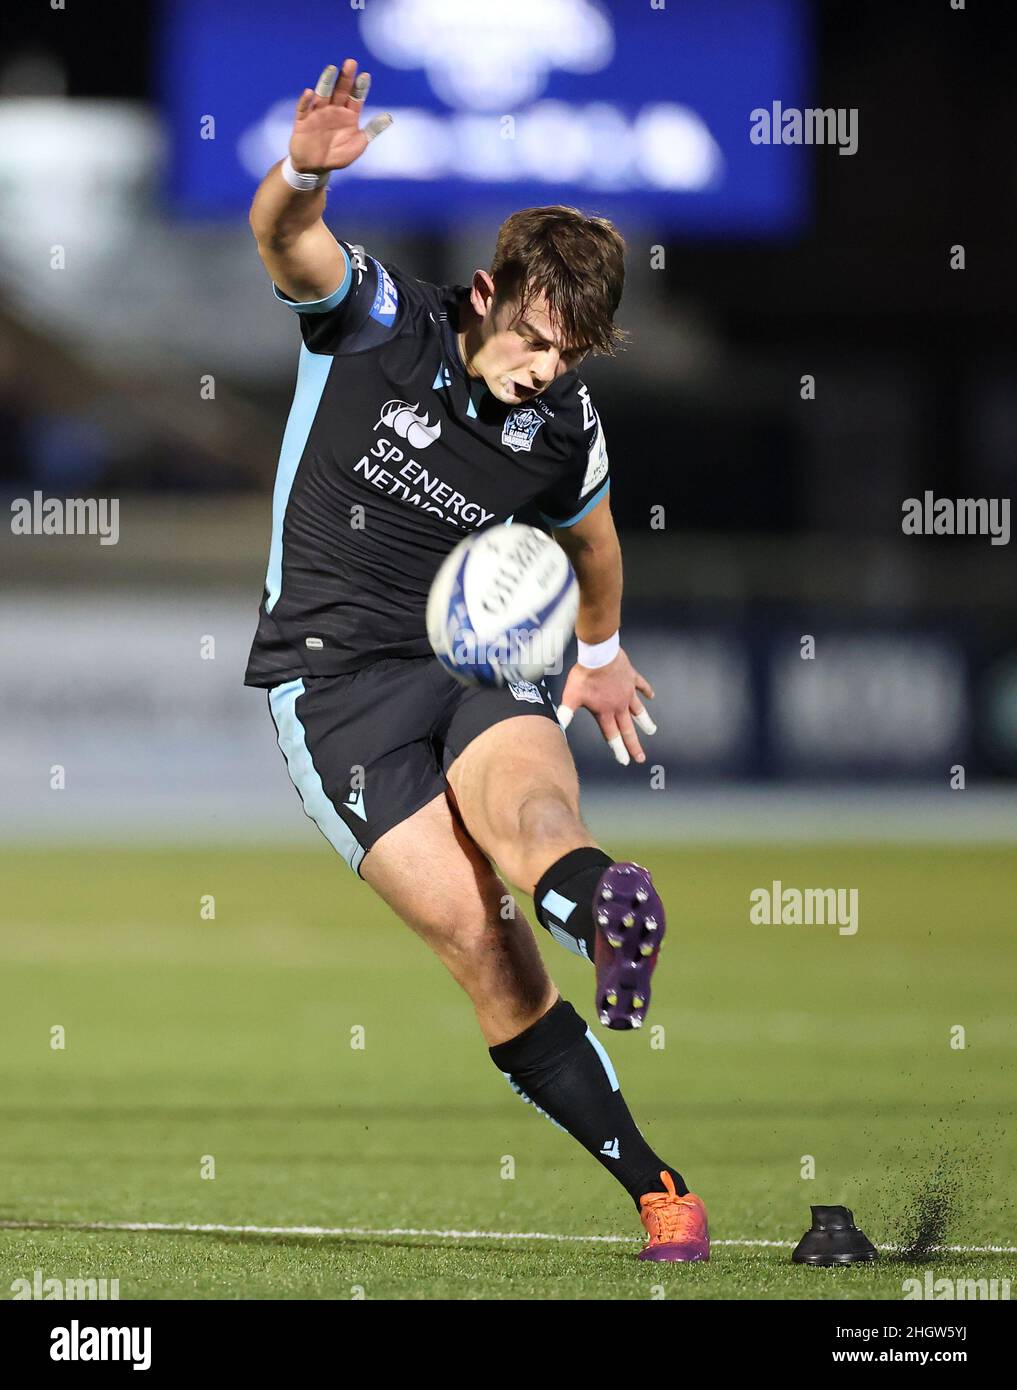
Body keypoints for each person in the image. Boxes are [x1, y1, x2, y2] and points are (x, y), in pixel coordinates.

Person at [244, 59, 709, 1261]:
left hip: (463, 657)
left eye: (575, 355)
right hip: (333, 687)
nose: (548, 369)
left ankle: (607, 915)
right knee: (485, 949)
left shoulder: (562, 427)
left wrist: (599, 654)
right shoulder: (375, 318)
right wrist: (303, 173)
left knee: (534, 824)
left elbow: (594, 539)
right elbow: (285, 238)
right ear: (490, 291)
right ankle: (654, 1176)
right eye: (539, 339)